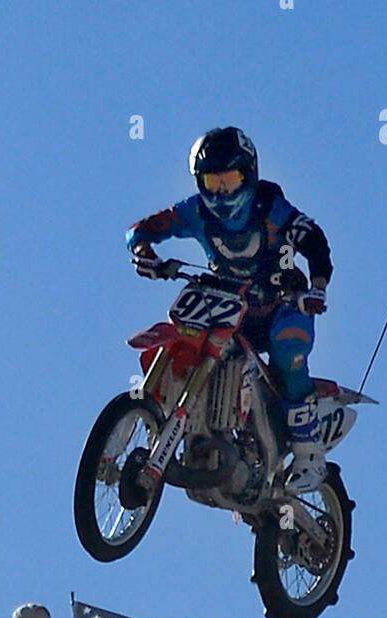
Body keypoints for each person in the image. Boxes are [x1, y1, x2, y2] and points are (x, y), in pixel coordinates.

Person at [127, 126, 334, 492]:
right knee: (191, 339)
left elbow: (312, 239)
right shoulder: (195, 211)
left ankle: (309, 457)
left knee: (289, 346)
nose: (221, 191)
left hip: (280, 303)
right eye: (212, 180)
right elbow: (144, 228)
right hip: (227, 305)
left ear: (248, 175)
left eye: (231, 178)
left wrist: (316, 287)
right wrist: (145, 254)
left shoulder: (270, 207)